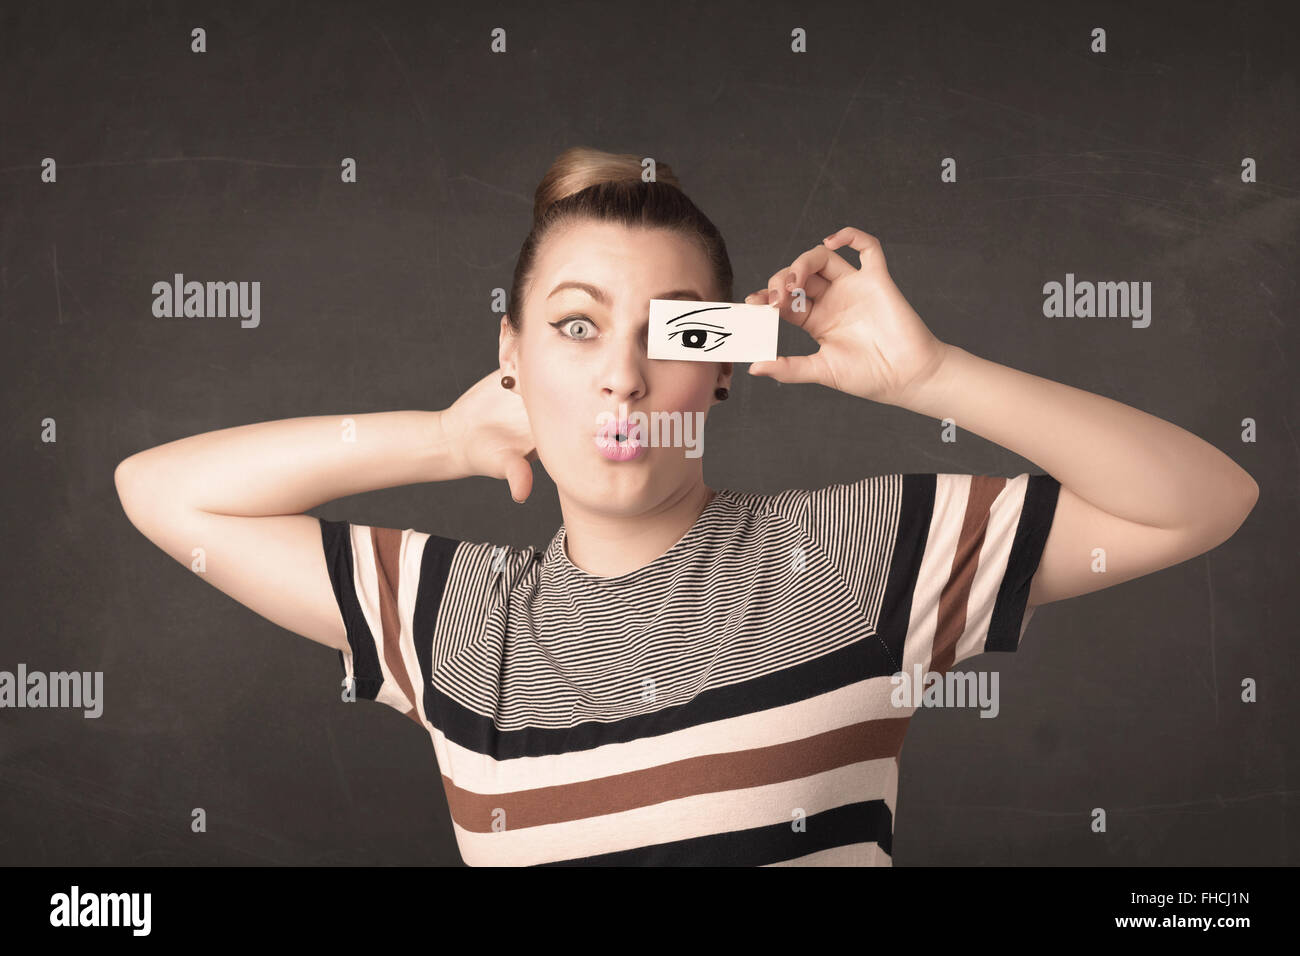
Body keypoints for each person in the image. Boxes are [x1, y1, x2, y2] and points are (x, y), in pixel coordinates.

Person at [114, 146, 1259, 866]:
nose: (620, 376)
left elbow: (1200, 502)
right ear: (510, 353)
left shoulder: (851, 555)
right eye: (573, 327)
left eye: (671, 331)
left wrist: (935, 377)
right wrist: (446, 435)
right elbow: (160, 492)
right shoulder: (453, 621)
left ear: (719, 367)